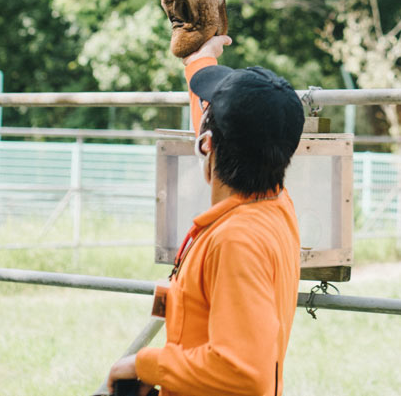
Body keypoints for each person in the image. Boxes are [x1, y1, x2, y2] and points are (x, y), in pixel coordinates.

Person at [108, 35, 305, 396]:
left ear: (207, 145)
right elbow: (220, 129)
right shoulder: (277, 205)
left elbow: (246, 373)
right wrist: (199, 61)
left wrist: (145, 364)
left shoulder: (236, 242)